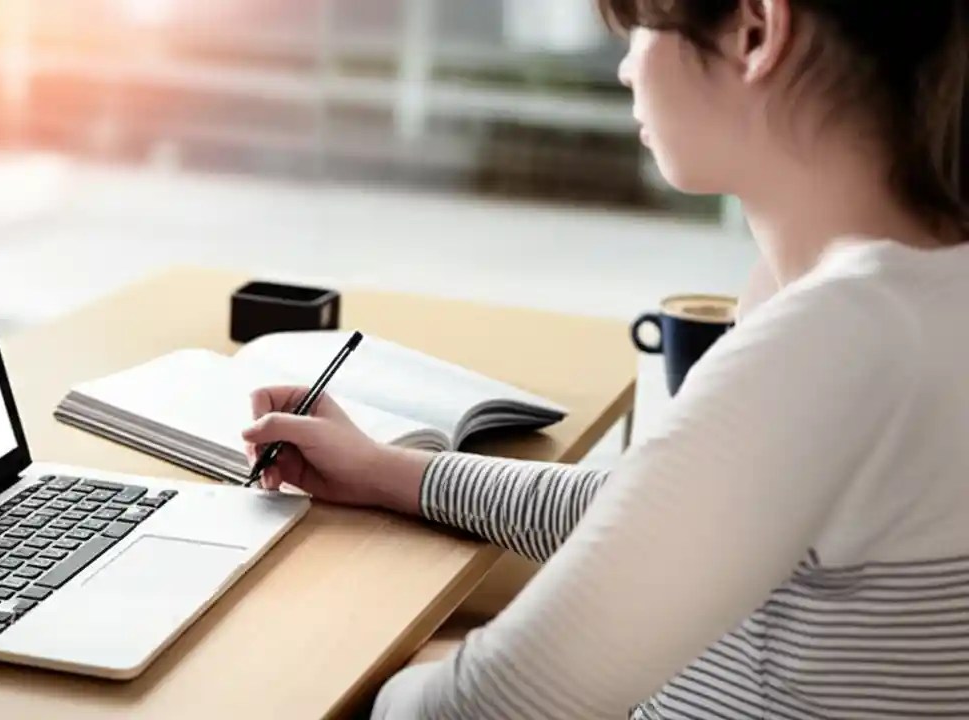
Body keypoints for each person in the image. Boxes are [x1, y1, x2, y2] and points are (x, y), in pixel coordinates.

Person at [241, 0, 969, 717]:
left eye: (642, 26)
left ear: (755, 32)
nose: (625, 68)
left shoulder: (837, 338)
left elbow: (498, 705)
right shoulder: (902, 298)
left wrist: (350, 692)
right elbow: (656, 512)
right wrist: (389, 472)